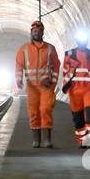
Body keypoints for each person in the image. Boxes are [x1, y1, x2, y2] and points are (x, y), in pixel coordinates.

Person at [15, 19, 61, 148]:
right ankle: (36, 139)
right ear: (31, 32)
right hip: (31, 86)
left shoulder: (50, 48)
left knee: (45, 109)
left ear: (42, 32)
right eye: (34, 31)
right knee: (33, 112)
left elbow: (57, 66)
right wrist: (18, 79)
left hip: (46, 86)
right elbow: (19, 65)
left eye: (39, 31)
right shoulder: (24, 49)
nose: (36, 33)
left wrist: (53, 81)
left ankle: (47, 139)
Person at [61, 29, 90, 148]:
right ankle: (83, 141)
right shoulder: (69, 54)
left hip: (89, 90)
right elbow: (65, 73)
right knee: (78, 118)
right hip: (74, 91)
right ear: (76, 40)